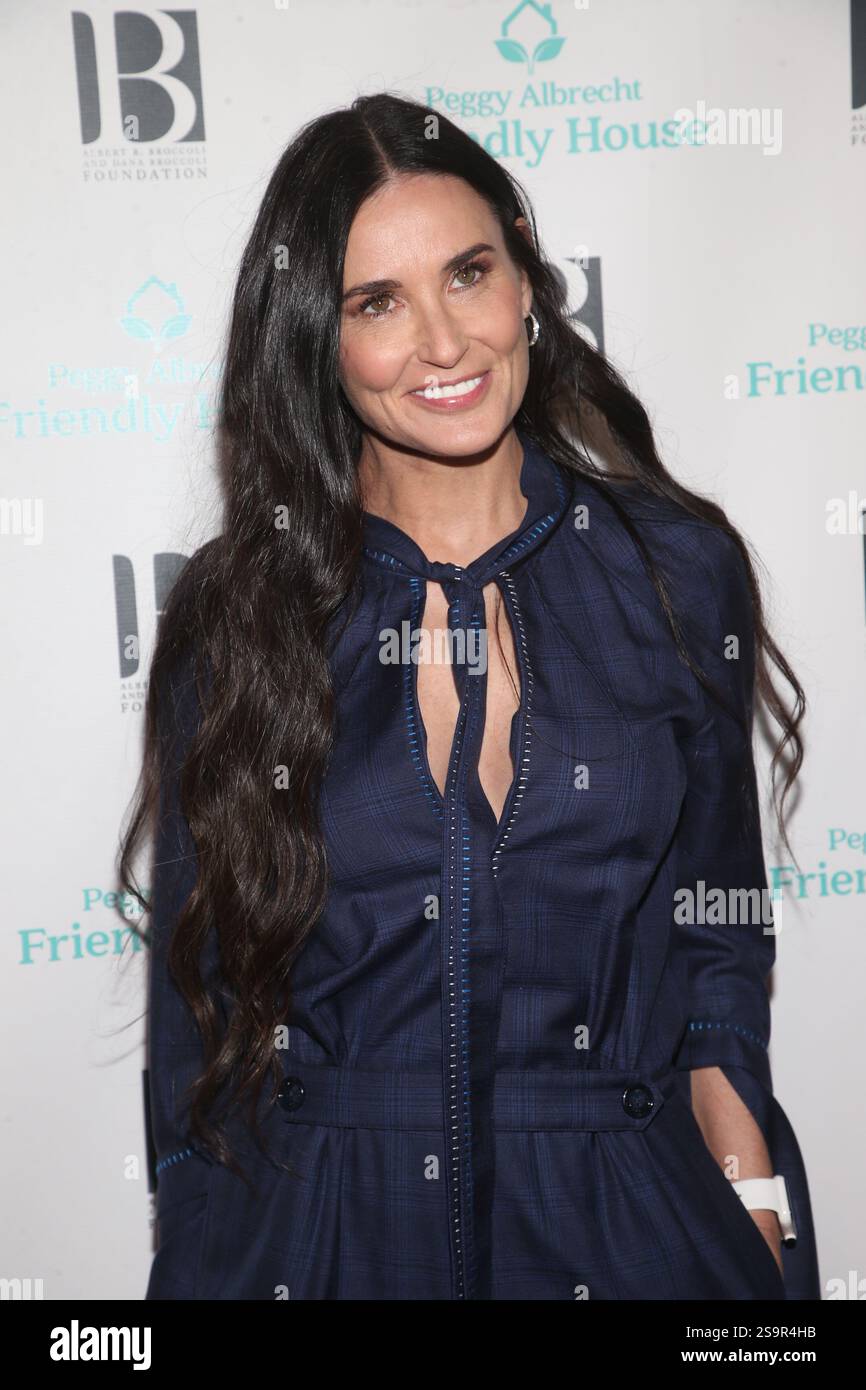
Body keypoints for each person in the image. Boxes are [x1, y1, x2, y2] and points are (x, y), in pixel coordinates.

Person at [120, 91, 820, 1301]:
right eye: (375, 303)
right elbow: (202, 1022)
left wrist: (749, 1200)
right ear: (316, 342)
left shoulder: (672, 570)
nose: (442, 343)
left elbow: (712, 930)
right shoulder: (240, 618)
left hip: (630, 1216)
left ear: (525, 286)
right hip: (328, 1234)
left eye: (468, 272)